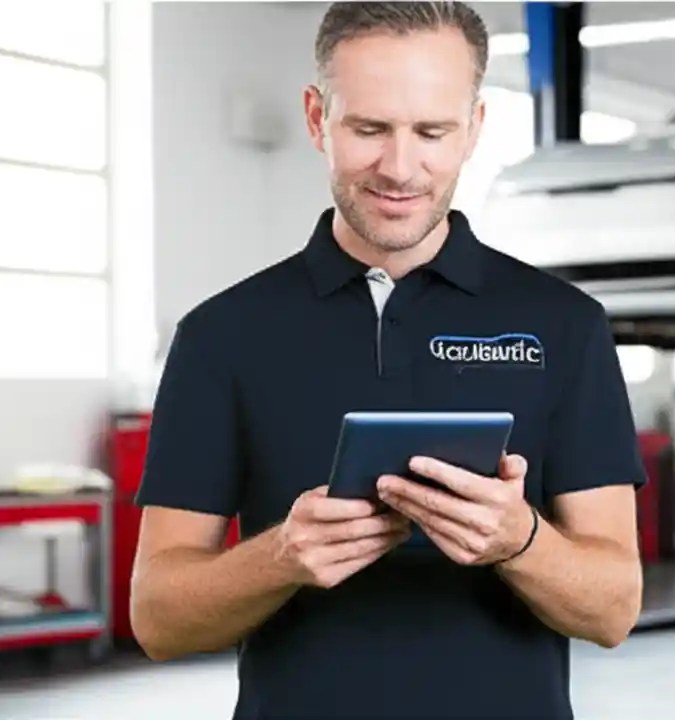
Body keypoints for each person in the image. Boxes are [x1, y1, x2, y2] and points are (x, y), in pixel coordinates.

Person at [129, 3, 647, 718]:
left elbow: (614, 609)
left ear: (474, 129)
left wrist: (518, 539)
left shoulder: (565, 327)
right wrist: (281, 556)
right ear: (317, 119)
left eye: (432, 132)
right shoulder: (222, 334)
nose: (400, 168)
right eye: (369, 129)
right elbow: (157, 618)